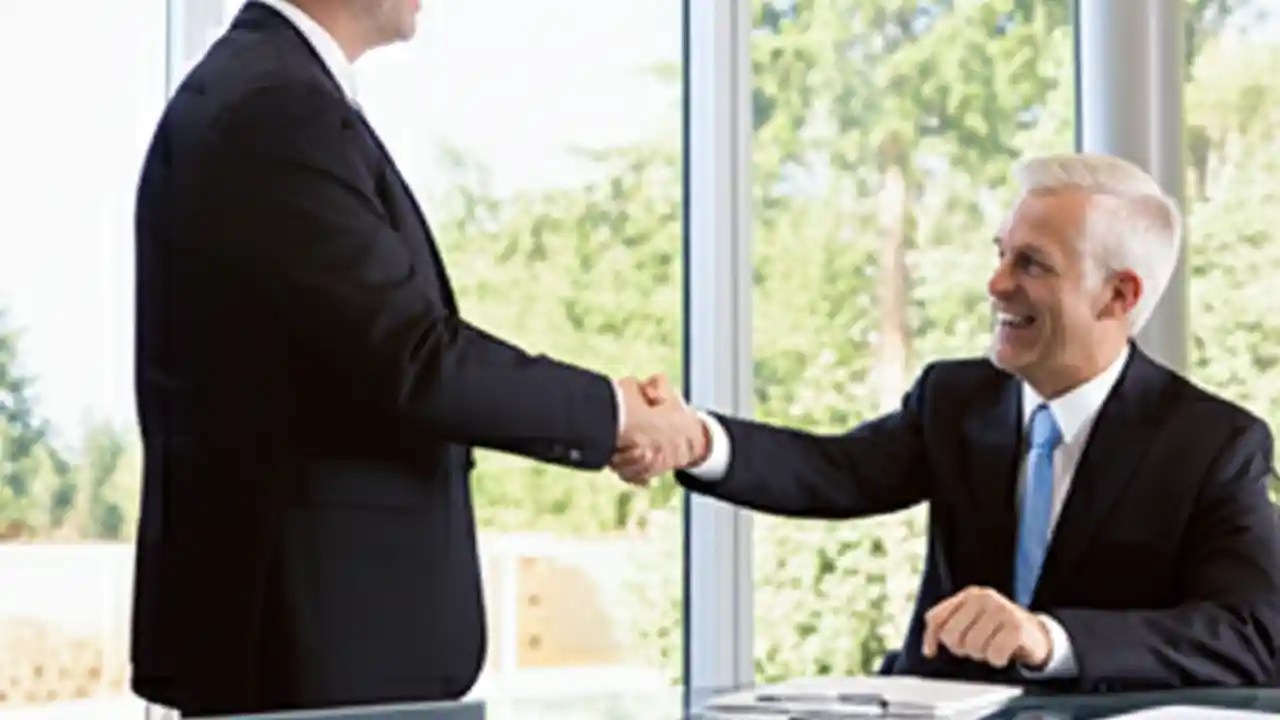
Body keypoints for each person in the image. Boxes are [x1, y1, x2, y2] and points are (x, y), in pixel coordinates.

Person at [130, 0, 701, 714]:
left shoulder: (266, 92)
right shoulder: (273, 108)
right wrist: (615, 412)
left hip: (316, 639)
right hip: (306, 642)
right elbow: (410, 358)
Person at [618, 153, 1280, 691]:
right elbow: (834, 471)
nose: (995, 284)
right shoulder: (955, 399)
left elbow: (1254, 635)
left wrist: (1050, 638)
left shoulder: (1212, 444)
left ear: (1119, 294)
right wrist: (696, 439)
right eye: (1000, 254)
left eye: (1031, 264)